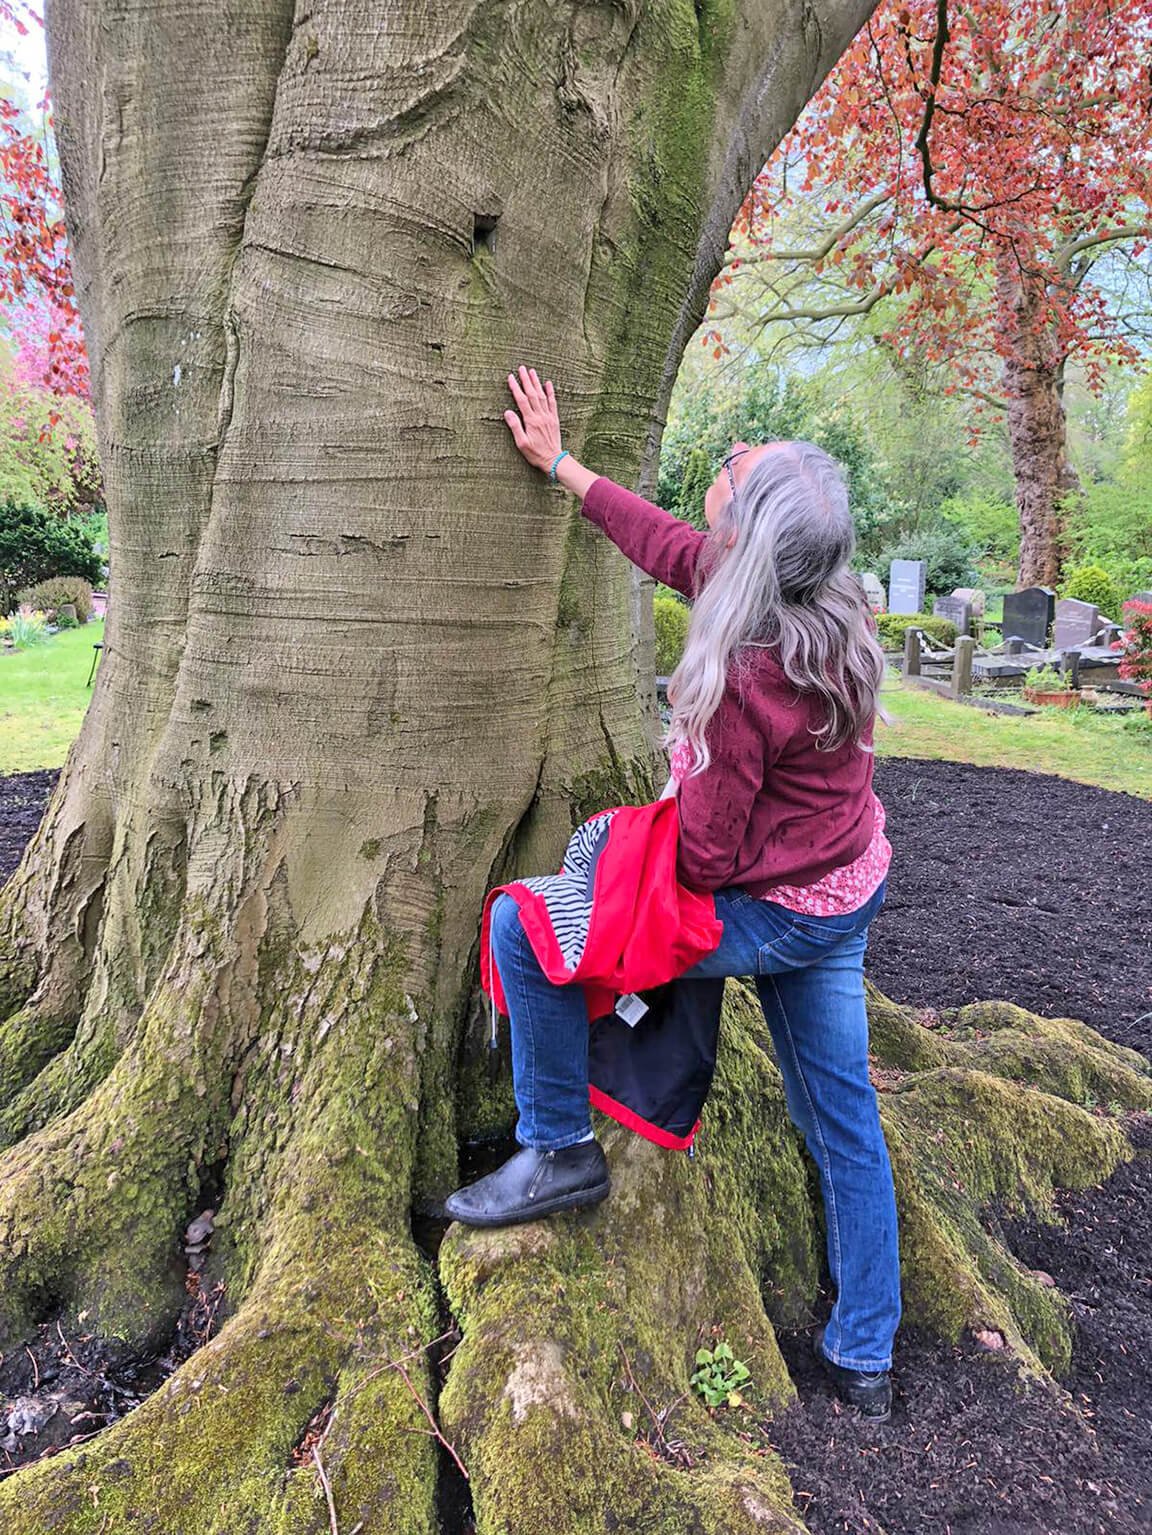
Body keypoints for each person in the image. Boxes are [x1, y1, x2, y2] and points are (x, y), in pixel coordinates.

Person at [444, 365, 902, 1419]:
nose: (736, 452)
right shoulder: (817, 596)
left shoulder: (746, 667)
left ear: (746, 534)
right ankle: (864, 1353)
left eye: (748, 465)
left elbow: (702, 858)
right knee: (842, 1114)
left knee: (533, 920)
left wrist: (628, 854)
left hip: (774, 908)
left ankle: (557, 1145)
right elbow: (660, 539)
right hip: (848, 888)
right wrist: (561, 465)